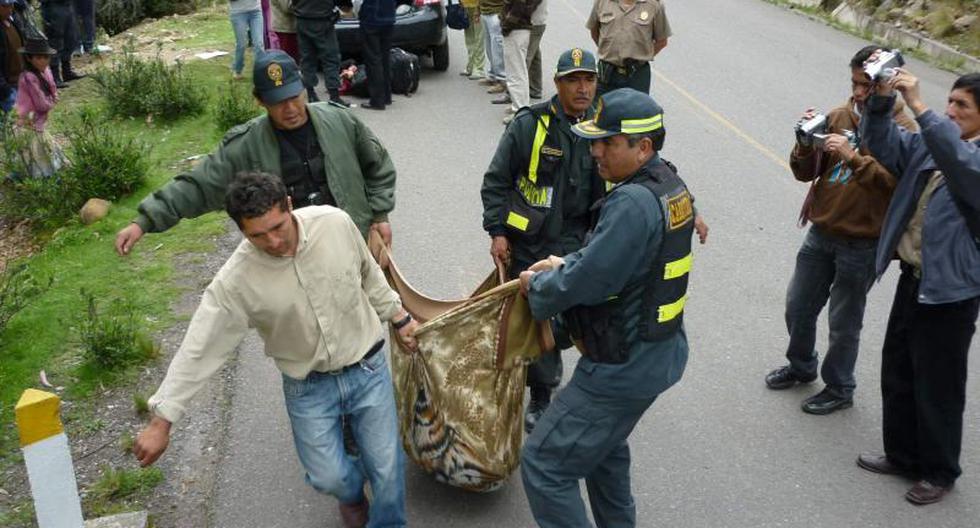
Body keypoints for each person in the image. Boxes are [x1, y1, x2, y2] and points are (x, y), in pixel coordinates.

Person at [133, 171, 416, 528]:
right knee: (330, 477)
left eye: (278, 226)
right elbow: (200, 346)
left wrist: (400, 317)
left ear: (290, 206)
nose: (274, 241)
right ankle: (351, 494)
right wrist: (163, 419)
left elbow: (368, 273)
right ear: (241, 231)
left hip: (367, 367)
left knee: (388, 470)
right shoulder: (236, 281)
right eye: (258, 236)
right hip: (309, 386)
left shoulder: (335, 224)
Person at [518, 88, 694, 527]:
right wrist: (567, 261)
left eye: (608, 142)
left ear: (643, 147)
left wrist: (539, 285)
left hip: (622, 364)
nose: (595, 151)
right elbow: (620, 260)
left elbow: (590, 280)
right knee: (603, 454)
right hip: (656, 353)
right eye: (595, 140)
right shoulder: (668, 186)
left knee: (544, 465)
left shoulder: (632, 202)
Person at [114, 51, 397, 257]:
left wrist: (380, 215)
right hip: (291, 254)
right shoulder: (245, 145)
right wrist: (144, 221)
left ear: (303, 88)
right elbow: (199, 186)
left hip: (351, 241)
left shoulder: (340, 121)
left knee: (368, 322)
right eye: (278, 102)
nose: (290, 109)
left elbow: (378, 166)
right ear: (260, 101)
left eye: (293, 97)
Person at [763, 46, 917, 415]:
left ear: (887, 82)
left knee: (843, 323)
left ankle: (839, 387)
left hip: (862, 242)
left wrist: (853, 157)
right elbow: (806, 172)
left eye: (867, 84)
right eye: (855, 83)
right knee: (798, 307)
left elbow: (898, 188)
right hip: (821, 232)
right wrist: (803, 143)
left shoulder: (906, 130)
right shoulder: (839, 115)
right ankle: (801, 366)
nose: (859, 92)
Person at [856, 65, 980, 506]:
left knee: (939, 386)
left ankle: (940, 471)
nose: (950, 110)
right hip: (914, 280)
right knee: (899, 371)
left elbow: (963, 167)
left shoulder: (968, 158)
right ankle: (903, 455)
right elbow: (885, 144)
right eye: (949, 101)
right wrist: (882, 99)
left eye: (962, 106)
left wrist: (923, 108)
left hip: (951, 293)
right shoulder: (937, 143)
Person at [481, 48, 602, 434]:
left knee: (586, 318)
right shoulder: (530, 125)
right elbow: (497, 180)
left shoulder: (605, 126)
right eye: (573, 80)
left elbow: (643, 168)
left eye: (589, 79)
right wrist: (497, 231)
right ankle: (542, 392)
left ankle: (593, 386)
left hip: (581, 242)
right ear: (557, 83)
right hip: (532, 244)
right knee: (538, 317)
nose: (582, 88)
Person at [586, 0, 670, 96]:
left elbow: (662, 41)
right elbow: (594, 32)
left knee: (637, 109)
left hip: (637, 74)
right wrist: (609, 51)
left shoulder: (654, 5)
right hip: (607, 73)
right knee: (603, 108)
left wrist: (641, 56)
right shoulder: (602, 2)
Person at [13, 36, 65, 178]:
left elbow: (52, 86)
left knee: (43, 150)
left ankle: (48, 175)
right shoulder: (28, 77)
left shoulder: (46, 70)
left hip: (37, 121)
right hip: (27, 122)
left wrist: (54, 96)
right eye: (39, 58)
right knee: (34, 153)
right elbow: (41, 104)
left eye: (46, 57)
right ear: (29, 58)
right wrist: (52, 102)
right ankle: (38, 178)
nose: (43, 61)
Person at [292, 0, 347, 106]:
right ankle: (334, 96)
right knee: (331, 58)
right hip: (323, 21)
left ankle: (311, 93)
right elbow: (346, 6)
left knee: (307, 58)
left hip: (302, 19)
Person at [499, 0, 546, 123]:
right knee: (519, 71)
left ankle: (519, 110)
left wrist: (507, 23)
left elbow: (520, 7)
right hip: (520, 27)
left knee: (515, 72)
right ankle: (520, 105)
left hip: (517, 27)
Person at [358, 0, 394, 111]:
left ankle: (377, 100)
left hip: (371, 18)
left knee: (373, 60)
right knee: (385, 58)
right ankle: (386, 96)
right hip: (389, 17)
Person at [39, 0, 83, 88]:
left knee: (70, 38)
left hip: (67, 5)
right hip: (52, 6)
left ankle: (67, 72)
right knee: (55, 40)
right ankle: (55, 77)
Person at [229, 0, 266, 80]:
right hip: (238, 13)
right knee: (241, 44)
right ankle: (238, 69)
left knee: (258, 43)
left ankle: (261, 71)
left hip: (256, 11)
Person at [0, 0, 25, 114]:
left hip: (19, 82)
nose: (10, 9)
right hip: (7, 87)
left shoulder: (13, 23)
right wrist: (4, 88)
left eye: (11, 5)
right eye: (5, 6)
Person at [479, 0, 507, 96]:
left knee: (497, 48)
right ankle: (493, 74)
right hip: (485, 11)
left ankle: (502, 79)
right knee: (489, 46)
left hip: (496, 11)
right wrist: (477, 10)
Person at [459, 0, 486, 80]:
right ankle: (470, 65)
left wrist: (479, 7)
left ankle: (479, 68)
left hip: (478, 6)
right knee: (469, 38)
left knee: (479, 37)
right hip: (466, 5)